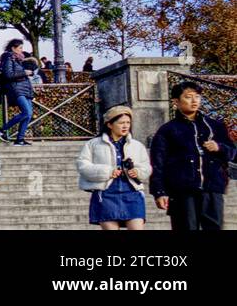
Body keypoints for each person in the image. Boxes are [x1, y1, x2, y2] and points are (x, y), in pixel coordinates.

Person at [149, 80, 235, 230]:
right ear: (176, 101)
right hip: (182, 190)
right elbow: (158, 163)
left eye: (197, 96)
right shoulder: (167, 130)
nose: (194, 101)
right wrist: (159, 191)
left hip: (212, 188)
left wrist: (219, 147)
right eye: (188, 97)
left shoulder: (215, 126)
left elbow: (234, 153)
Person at [78, 104, 151, 230]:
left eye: (128, 122)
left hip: (132, 193)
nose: (125, 126)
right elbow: (83, 166)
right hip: (106, 194)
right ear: (109, 124)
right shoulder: (93, 144)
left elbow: (146, 166)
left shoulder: (137, 145)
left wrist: (137, 172)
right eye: (121, 122)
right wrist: (107, 172)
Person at [0, 39, 34, 145]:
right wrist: (23, 72)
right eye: (20, 48)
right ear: (13, 48)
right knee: (26, 112)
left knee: (29, 114)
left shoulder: (19, 60)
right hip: (16, 89)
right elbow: (8, 75)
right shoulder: (9, 58)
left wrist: (28, 72)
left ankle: (20, 139)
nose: (22, 50)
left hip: (25, 89)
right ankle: (2, 129)